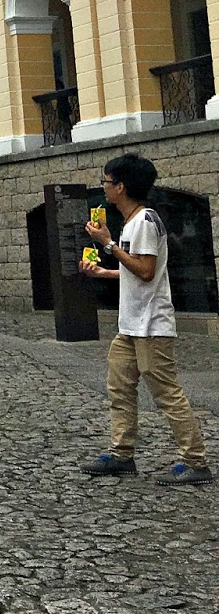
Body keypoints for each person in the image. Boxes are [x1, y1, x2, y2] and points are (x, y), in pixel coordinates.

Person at [79, 153, 211, 486]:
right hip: (131, 325)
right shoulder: (133, 221)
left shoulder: (145, 222)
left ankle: (195, 461)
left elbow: (147, 270)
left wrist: (108, 244)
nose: (104, 187)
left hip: (151, 325)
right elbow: (135, 271)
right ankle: (121, 454)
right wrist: (104, 272)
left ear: (120, 186)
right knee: (119, 388)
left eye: (106, 181)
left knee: (166, 393)